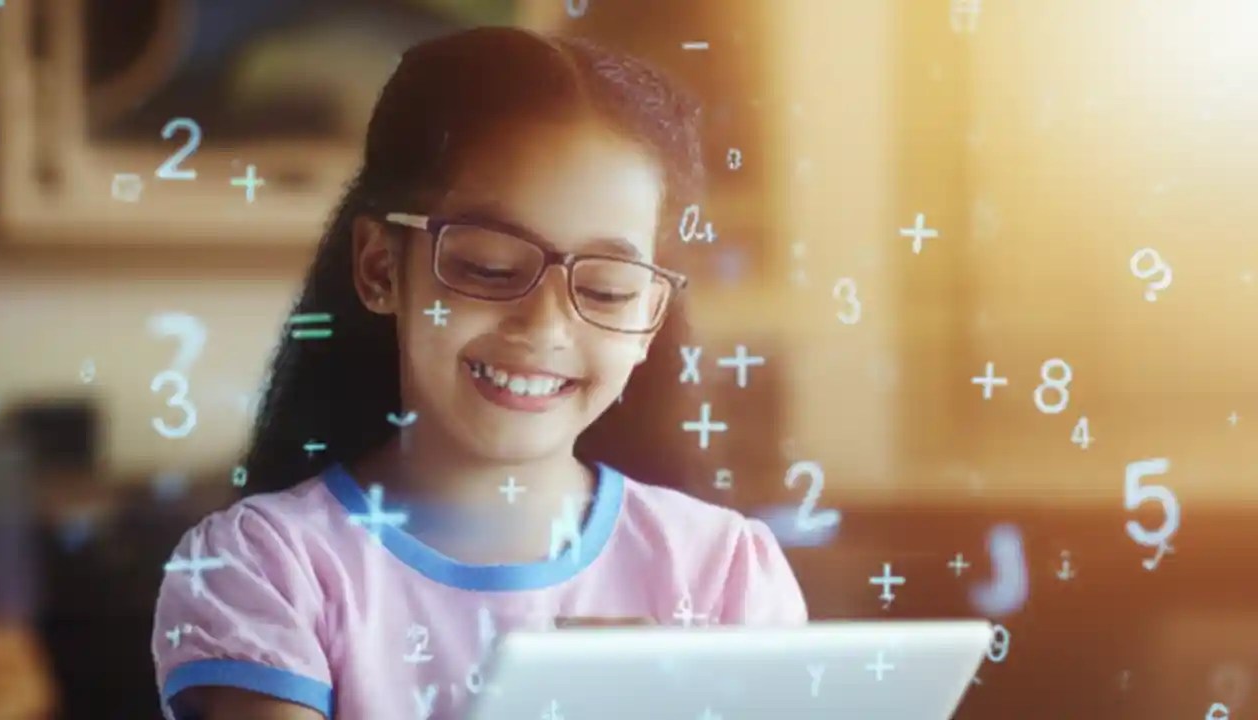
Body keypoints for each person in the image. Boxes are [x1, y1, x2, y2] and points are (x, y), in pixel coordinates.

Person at [151, 26, 807, 720]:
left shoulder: (724, 571)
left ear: (650, 317)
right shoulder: (269, 569)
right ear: (380, 268)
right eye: (489, 267)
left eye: (609, 288)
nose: (545, 326)